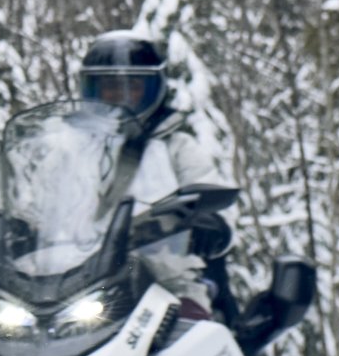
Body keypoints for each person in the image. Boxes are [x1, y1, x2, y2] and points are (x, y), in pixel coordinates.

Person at [76, 30, 237, 314]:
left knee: (188, 338)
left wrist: (211, 222)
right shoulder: (70, 149)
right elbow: (35, 196)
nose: (120, 97)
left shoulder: (176, 145)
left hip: (166, 283)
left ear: (153, 89)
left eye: (132, 87)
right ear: (92, 90)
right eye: (109, 87)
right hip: (76, 284)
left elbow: (209, 189)